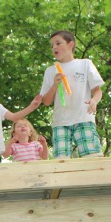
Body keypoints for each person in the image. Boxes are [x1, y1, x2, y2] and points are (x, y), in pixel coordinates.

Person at [40, 30, 104, 158]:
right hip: (61, 121)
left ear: (70, 45)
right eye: (52, 45)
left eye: (58, 43)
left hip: (83, 118)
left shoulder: (85, 64)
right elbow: (46, 101)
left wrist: (94, 101)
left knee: (93, 158)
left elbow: (97, 91)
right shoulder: (51, 70)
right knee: (61, 162)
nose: (54, 47)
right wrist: (54, 85)